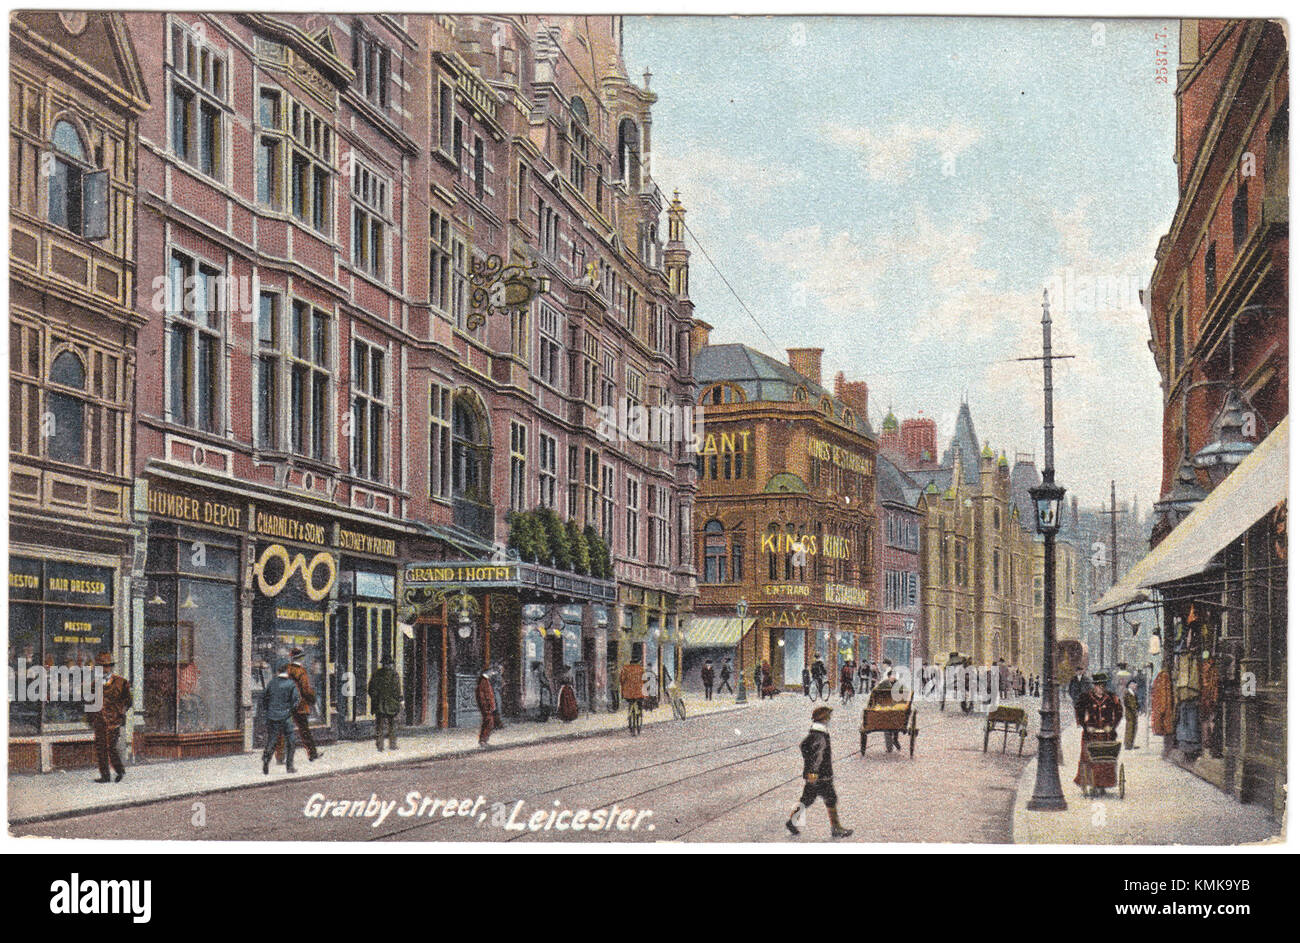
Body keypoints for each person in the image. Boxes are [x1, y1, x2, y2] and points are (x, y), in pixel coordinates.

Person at [785, 705, 853, 839]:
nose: (830, 720)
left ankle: (791, 822)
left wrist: (808, 767)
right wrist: (813, 771)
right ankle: (836, 828)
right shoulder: (821, 736)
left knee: (807, 799)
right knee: (831, 799)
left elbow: (803, 746)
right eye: (828, 717)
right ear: (823, 719)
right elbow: (818, 756)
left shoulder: (813, 734)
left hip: (814, 776)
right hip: (822, 776)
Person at [1074, 672, 1124, 792]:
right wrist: (1085, 726)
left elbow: (1119, 712)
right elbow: (1079, 710)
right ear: (1094, 686)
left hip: (1107, 734)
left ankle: (1103, 785)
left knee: (1106, 759)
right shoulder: (1086, 697)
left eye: (1103, 686)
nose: (1101, 689)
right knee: (1089, 758)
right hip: (1091, 733)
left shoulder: (1112, 697)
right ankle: (1091, 783)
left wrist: (1112, 726)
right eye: (1098, 686)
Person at [87, 652, 131, 784]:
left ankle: (119, 771)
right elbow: (90, 702)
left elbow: (128, 701)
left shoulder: (121, 683)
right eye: (102, 667)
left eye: (107, 666)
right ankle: (105, 776)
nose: (105, 669)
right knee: (100, 748)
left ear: (111, 667)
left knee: (111, 747)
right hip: (100, 721)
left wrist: (120, 713)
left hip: (113, 721)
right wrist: (91, 718)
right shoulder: (95, 684)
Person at [277, 647, 319, 763]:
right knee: (305, 730)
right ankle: (312, 754)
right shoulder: (301, 671)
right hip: (300, 706)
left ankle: (280, 756)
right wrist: (312, 699)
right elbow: (306, 690)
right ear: (301, 658)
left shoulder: (286, 669)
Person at [261, 662, 300, 774]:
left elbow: (264, 698)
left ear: (278, 672)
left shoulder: (272, 683)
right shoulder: (291, 684)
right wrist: (290, 711)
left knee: (272, 740)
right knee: (291, 741)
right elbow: (296, 700)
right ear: (287, 672)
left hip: (272, 716)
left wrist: (268, 711)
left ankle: (266, 759)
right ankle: (289, 766)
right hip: (286, 717)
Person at [368, 658, 402, 752]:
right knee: (392, 725)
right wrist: (398, 700)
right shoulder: (394, 674)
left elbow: (371, 688)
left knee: (379, 725)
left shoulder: (376, 674)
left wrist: (375, 699)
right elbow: (397, 690)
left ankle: (380, 745)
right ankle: (392, 744)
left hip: (379, 704)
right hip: (391, 704)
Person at [619, 657, 647, 723]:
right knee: (639, 701)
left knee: (630, 701)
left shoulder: (625, 668)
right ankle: (640, 712)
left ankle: (630, 713)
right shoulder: (641, 669)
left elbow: (621, 680)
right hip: (639, 692)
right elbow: (645, 679)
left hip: (628, 692)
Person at [476, 667, 497, 747]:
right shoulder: (483, 681)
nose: (492, 673)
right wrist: (487, 706)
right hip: (487, 707)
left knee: (489, 722)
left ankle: (484, 740)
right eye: (491, 672)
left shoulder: (486, 681)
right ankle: (483, 740)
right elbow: (483, 696)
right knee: (488, 722)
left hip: (488, 706)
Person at [1123, 680, 1141, 750]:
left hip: (1133, 713)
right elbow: (1129, 703)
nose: (1135, 686)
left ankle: (1131, 743)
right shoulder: (1127, 693)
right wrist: (1134, 708)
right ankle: (1128, 744)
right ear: (1130, 685)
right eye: (1134, 684)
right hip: (1130, 713)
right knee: (1129, 729)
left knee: (1134, 728)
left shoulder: (1133, 693)